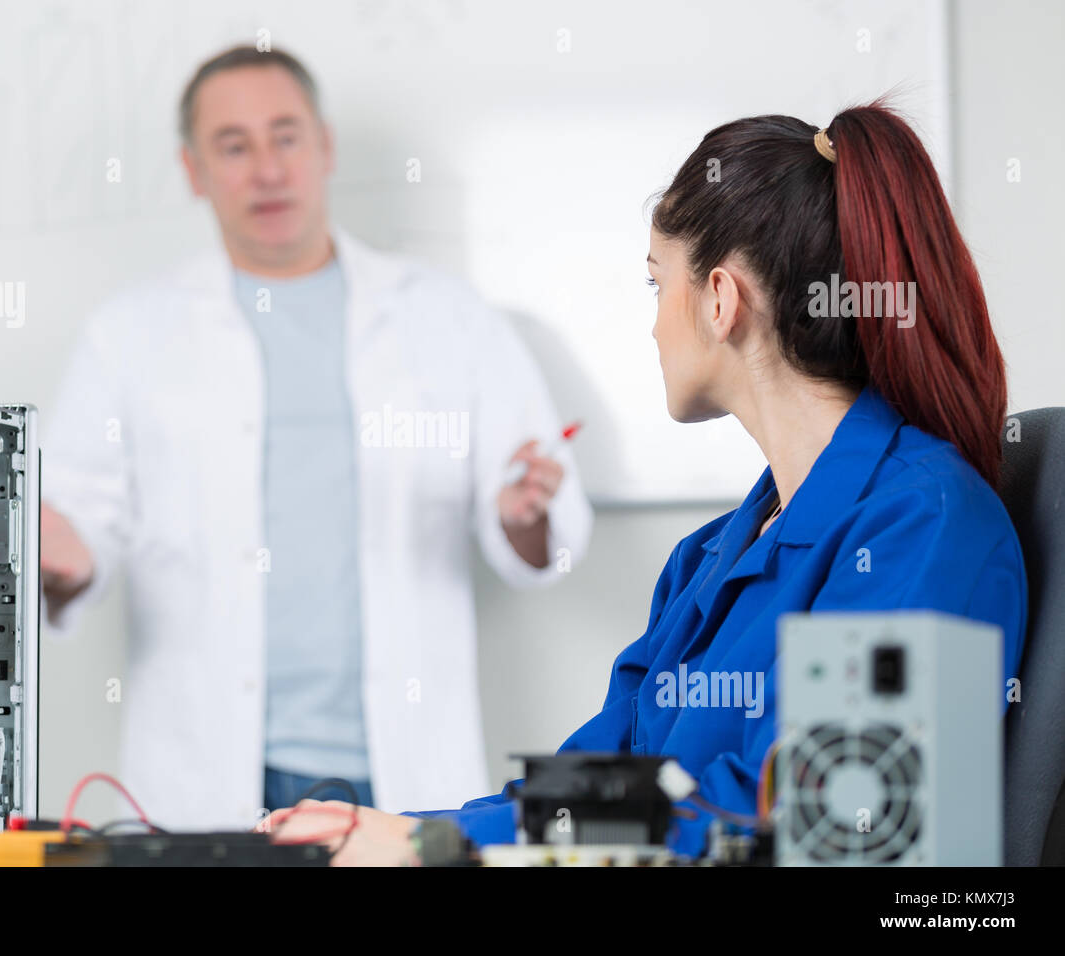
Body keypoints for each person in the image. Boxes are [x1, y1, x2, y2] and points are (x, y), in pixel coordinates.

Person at [263, 102, 1028, 864]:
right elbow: (602, 788)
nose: (654, 325)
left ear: (721, 300)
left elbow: (818, 827)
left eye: (657, 285)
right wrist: (382, 831)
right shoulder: (711, 559)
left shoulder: (920, 524)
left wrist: (430, 847)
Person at [39, 45, 592, 829]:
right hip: (208, 774)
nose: (267, 168)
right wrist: (50, 554)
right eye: (234, 146)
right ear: (194, 170)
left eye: (286, 136)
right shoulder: (127, 335)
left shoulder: (447, 317)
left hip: (402, 767)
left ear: (324, 147)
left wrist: (523, 515)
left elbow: (549, 536)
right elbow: (75, 535)